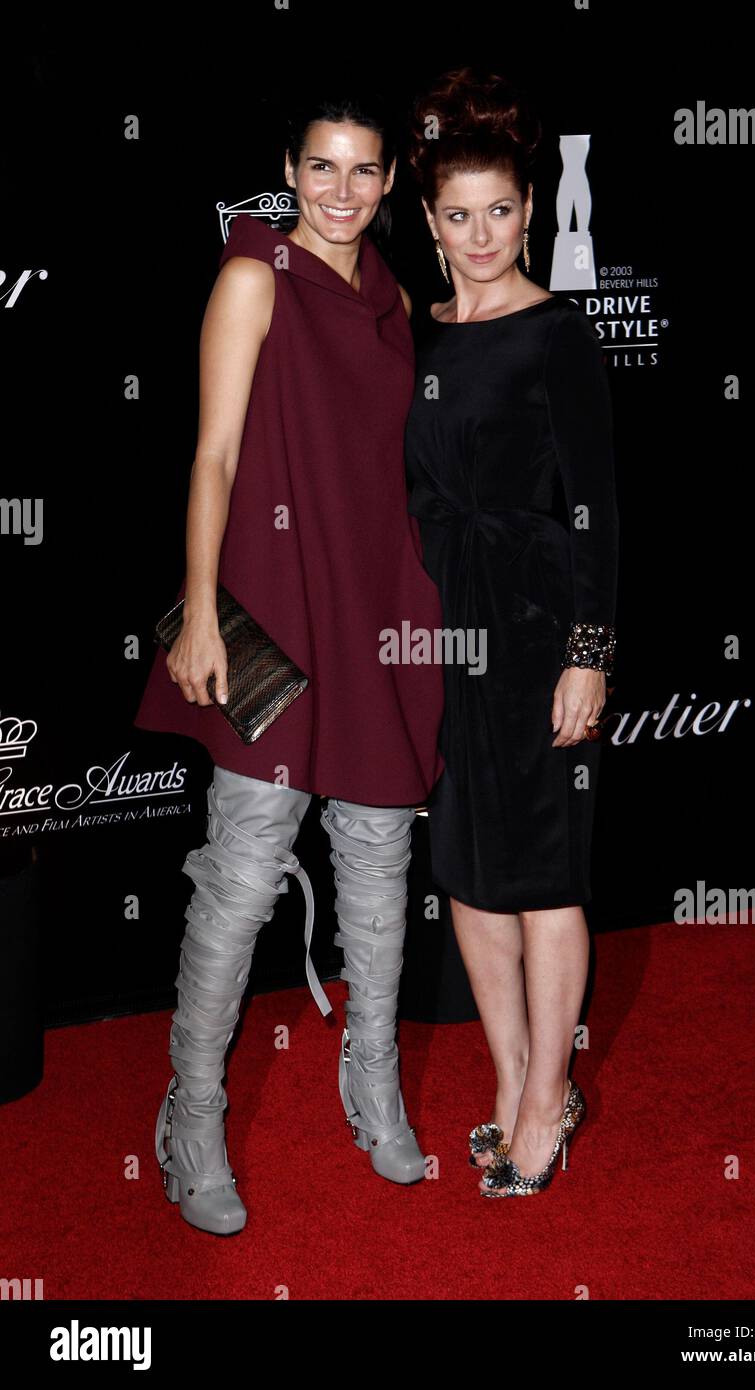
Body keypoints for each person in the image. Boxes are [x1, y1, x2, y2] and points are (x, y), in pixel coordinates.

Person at [133, 91, 444, 1234]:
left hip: (377, 613)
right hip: (272, 608)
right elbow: (211, 454)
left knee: (376, 860)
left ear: (390, 182)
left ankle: (371, 1083)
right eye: (322, 168)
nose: (342, 192)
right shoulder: (253, 276)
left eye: (364, 173)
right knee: (245, 871)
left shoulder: (395, 300)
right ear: (289, 169)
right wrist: (204, 610)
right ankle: (194, 1115)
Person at [403, 68, 619, 1198]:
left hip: (534, 630)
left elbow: (596, 504)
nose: (480, 233)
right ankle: (506, 1078)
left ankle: (548, 1100)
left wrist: (589, 650)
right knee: (471, 877)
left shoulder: (557, 332)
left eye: (499, 210)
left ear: (529, 210)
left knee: (542, 876)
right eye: (457, 214)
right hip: (442, 633)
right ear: (429, 223)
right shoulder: (420, 333)